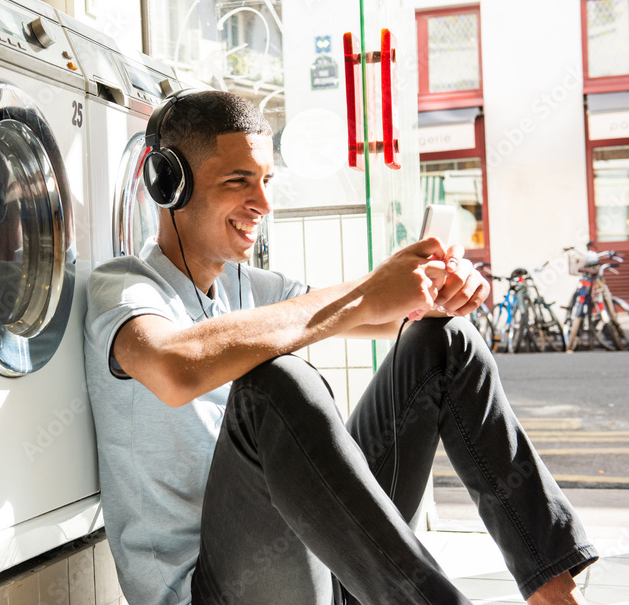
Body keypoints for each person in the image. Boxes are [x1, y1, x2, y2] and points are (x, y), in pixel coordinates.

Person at [84, 90, 597, 605]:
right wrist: (367, 295)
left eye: (266, 181)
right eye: (239, 181)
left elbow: (376, 317)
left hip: (321, 570)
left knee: (444, 342)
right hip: (212, 592)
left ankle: (555, 595)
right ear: (169, 185)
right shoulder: (125, 288)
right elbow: (176, 369)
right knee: (279, 383)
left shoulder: (255, 289)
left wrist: (432, 292)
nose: (262, 203)